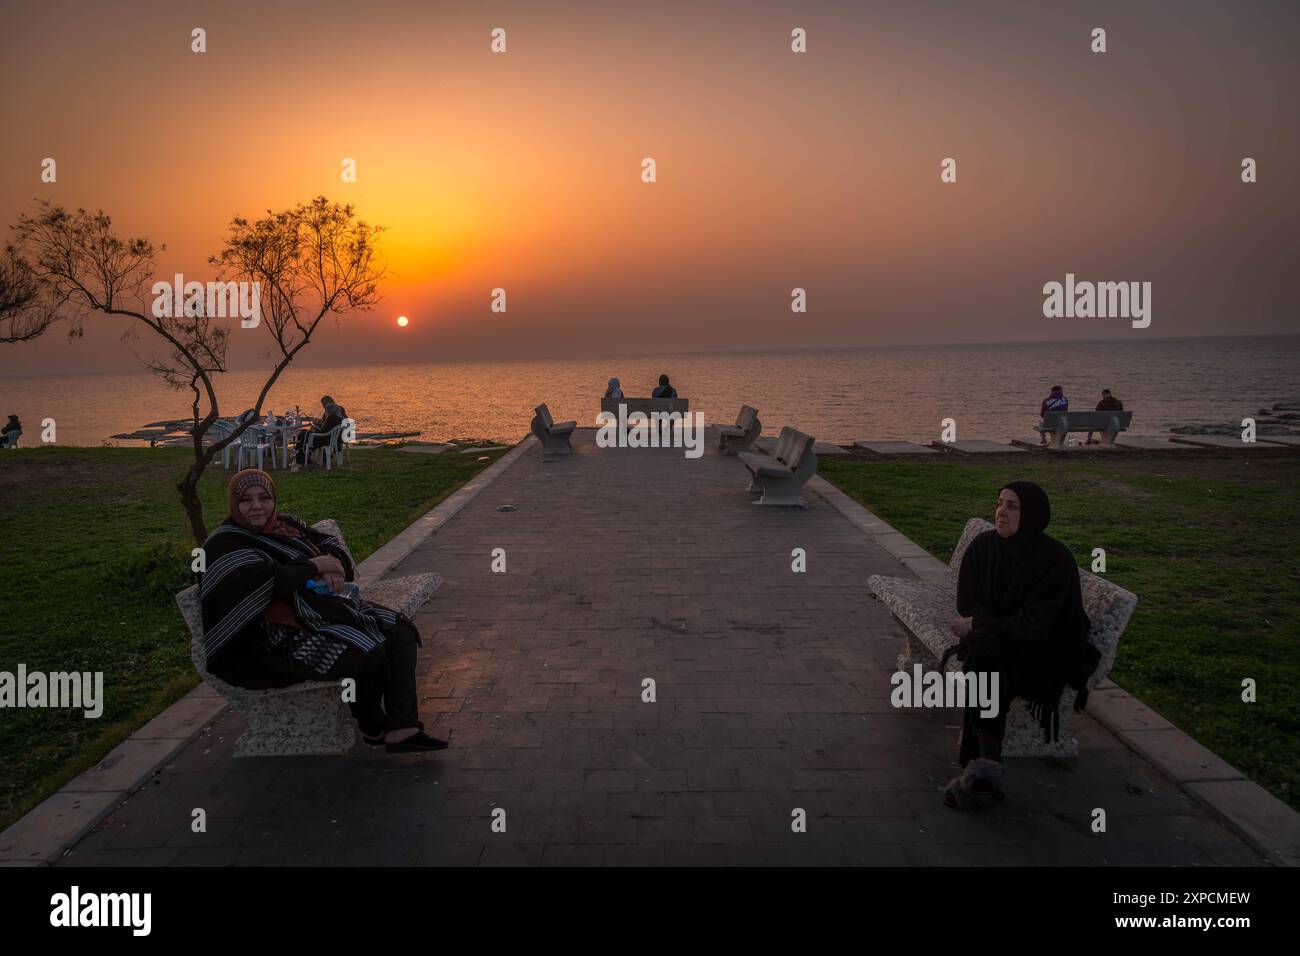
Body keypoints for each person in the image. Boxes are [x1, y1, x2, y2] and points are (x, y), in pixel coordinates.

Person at [198, 468, 447, 752]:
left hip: (320, 612)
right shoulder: (225, 543)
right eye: (246, 500)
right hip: (272, 641)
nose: (257, 506)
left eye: (264, 498)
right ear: (234, 504)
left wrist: (335, 567)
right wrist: (316, 566)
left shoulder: (286, 524)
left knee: (399, 631)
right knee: (367, 652)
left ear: (274, 499)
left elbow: (328, 544)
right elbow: (266, 580)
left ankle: (403, 726)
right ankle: (373, 726)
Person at [941, 481, 1098, 810]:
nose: (1001, 512)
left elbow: (1037, 625)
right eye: (999, 503)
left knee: (985, 655)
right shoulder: (984, 547)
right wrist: (989, 622)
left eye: (1013, 506)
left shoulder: (1054, 560)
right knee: (987, 656)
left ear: (1033, 515)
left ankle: (984, 769)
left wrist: (984, 622)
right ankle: (987, 769)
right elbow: (967, 603)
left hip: (1045, 653)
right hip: (1002, 646)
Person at [294, 394, 348, 466]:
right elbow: (327, 426)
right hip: (335, 438)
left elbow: (323, 430)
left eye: (323, 405)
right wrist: (319, 424)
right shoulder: (339, 414)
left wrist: (316, 426)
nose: (324, 407)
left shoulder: (331, 416)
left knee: (304, 433)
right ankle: (302, 454)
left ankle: (301, 455)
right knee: (305, 433)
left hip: (325, 439)